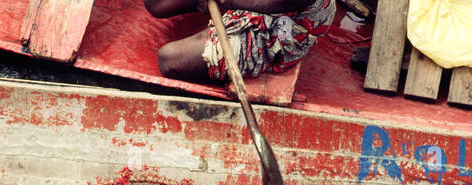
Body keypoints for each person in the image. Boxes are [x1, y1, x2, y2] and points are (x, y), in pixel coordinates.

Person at [144, 0, 336, 83]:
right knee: (158, 3)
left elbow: (293, 2)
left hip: (286, 23)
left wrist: (229, 3)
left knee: (170, 59)